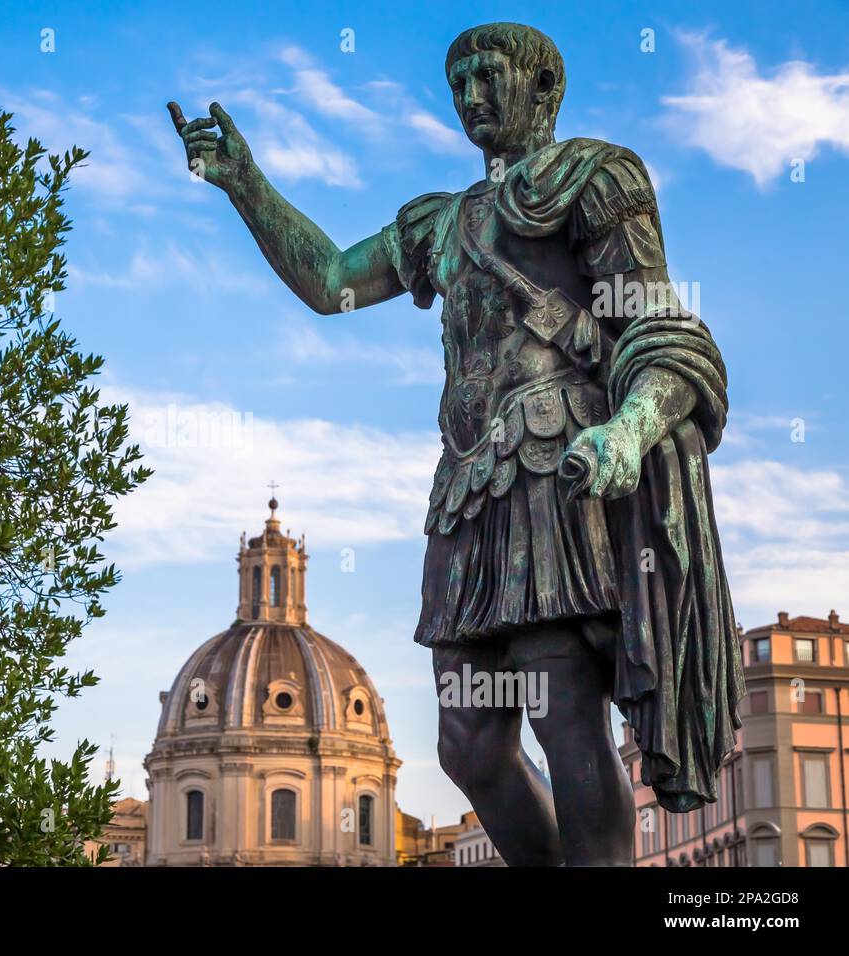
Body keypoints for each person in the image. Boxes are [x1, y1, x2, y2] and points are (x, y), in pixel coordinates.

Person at [166, 22, 743, 866]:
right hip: (470, 485)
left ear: (544, 90)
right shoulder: (445, 221)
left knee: (561, 710)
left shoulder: (596, 179)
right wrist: (246, 186)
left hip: (555, 465)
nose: (471, 94)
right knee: (467, 746)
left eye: (489, 76)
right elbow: (332, 284)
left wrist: (629, 429)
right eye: (459, 80)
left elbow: (654, 322)